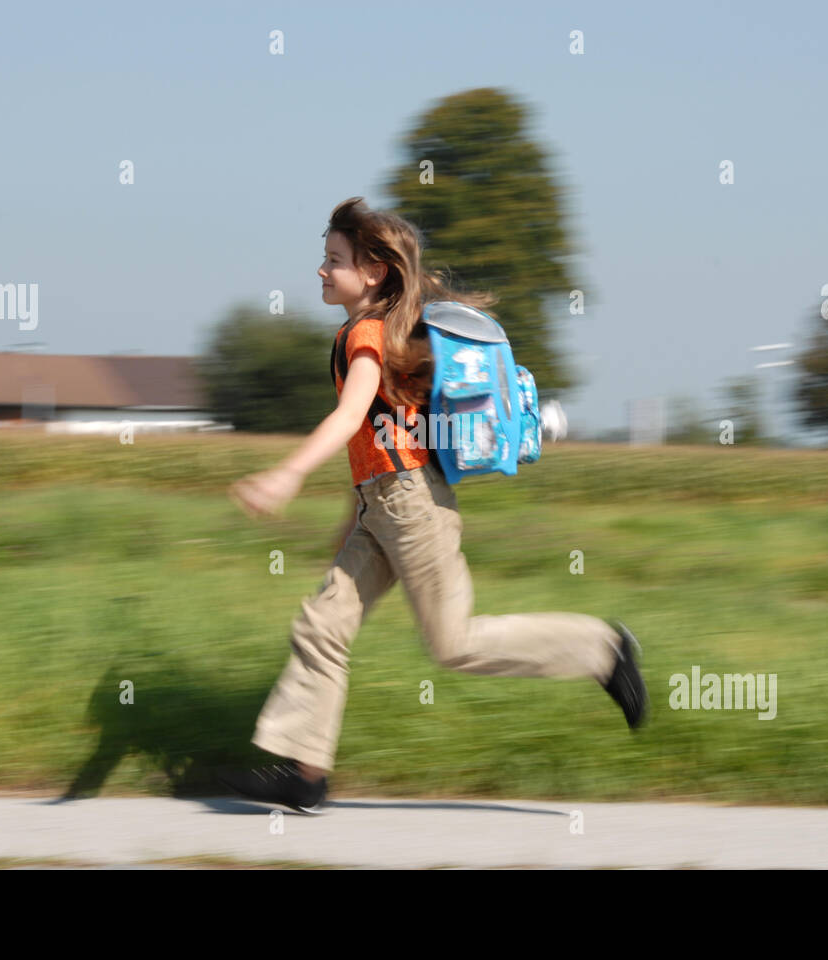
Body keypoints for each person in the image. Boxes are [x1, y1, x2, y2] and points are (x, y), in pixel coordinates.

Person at [217, 197, 646, 814]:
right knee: (323, 623)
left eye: (332, 260)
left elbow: (348, 417)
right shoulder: (374, 332)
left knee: (453, 643)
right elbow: (377, 439)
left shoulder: (367, 336)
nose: (320, 271)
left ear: (373, 273)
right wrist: (353, 519)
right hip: (384, 508)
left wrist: (287, 473)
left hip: (413, 510)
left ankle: (603, 650)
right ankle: (305, 774)